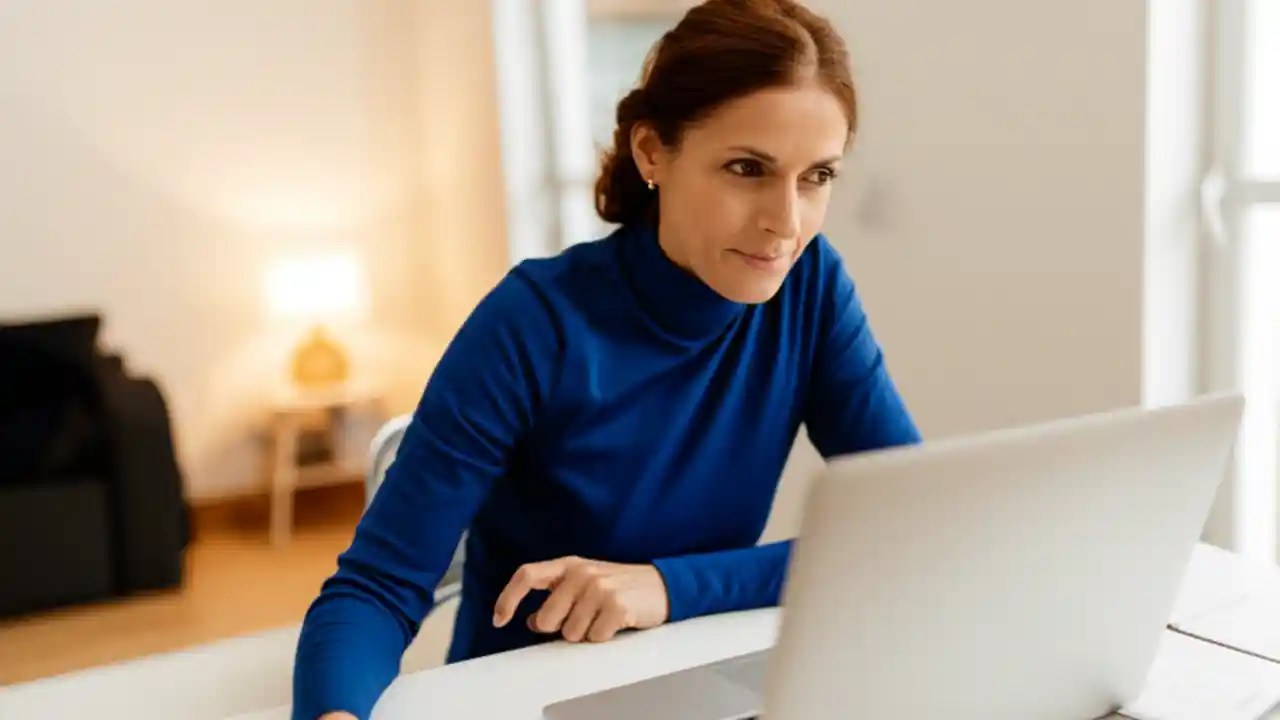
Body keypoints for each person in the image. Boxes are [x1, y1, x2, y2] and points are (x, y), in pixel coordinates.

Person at [293, 1, 920, 718]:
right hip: (537, 696)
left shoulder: (809, 288)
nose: (787, 222)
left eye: (817, 177)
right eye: (748, 169)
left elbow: (903, 529)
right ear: (653, 152)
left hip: (705, 677)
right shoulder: (533, 322)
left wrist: (666, 587)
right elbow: (374, 589)